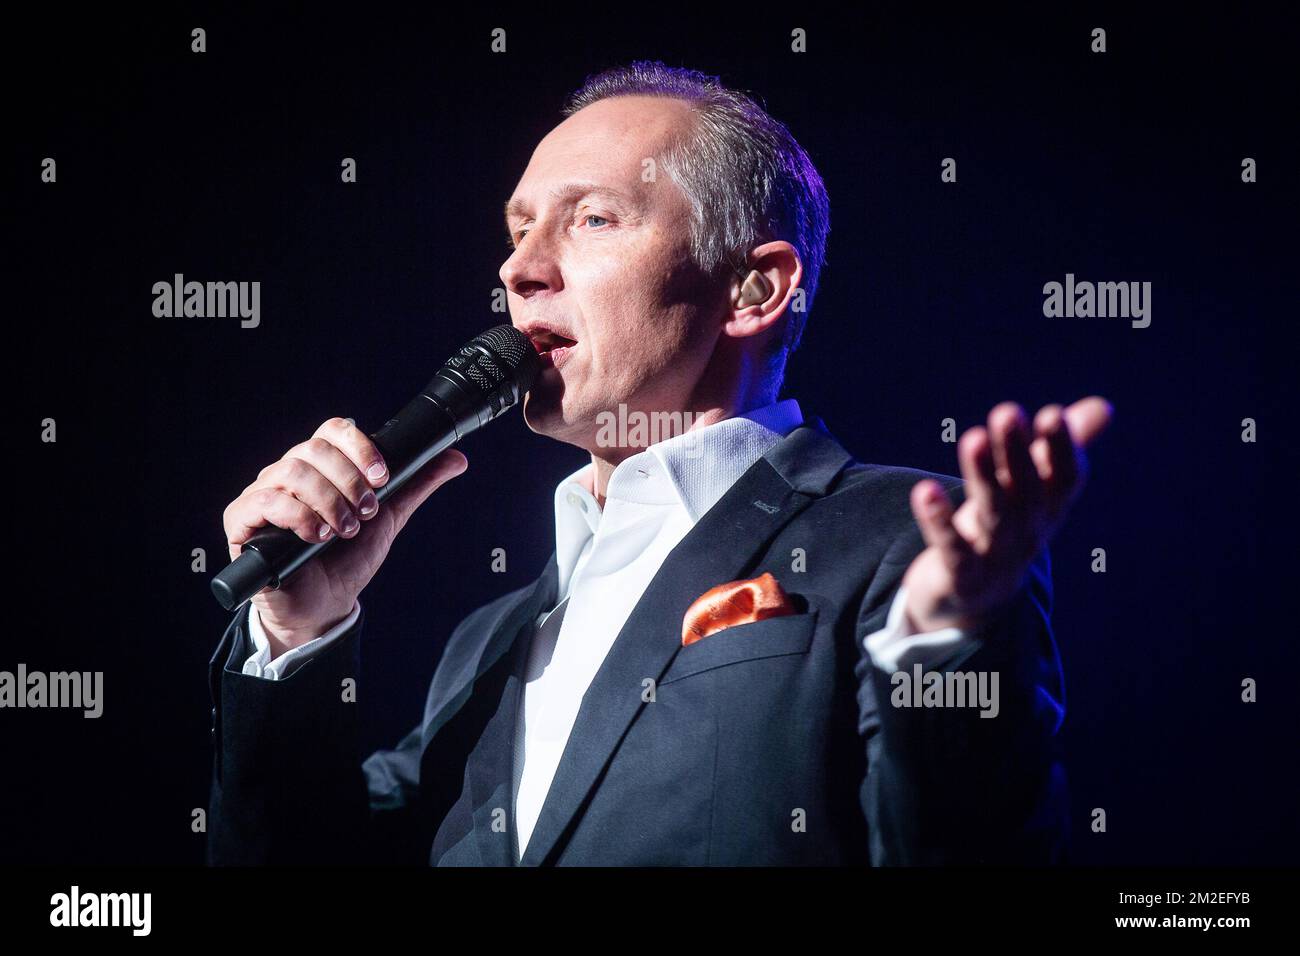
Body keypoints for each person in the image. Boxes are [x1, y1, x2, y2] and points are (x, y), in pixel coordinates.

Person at [206, 60, 1111, 865]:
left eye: (594, 218)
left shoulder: (898, 540)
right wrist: (298, 632)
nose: (521, 269)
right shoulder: (487, 644)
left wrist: (946, 647)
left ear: (755, 289)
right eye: (519, 230)